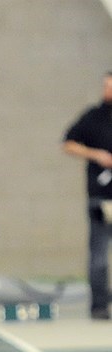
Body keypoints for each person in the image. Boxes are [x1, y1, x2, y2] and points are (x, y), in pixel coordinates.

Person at [63, 71, 112, 320]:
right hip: (100, 198)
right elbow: (68, 143)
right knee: (99, 255)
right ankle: (99, 305)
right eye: (106, 85)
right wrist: (96, 155)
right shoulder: (93, 117)